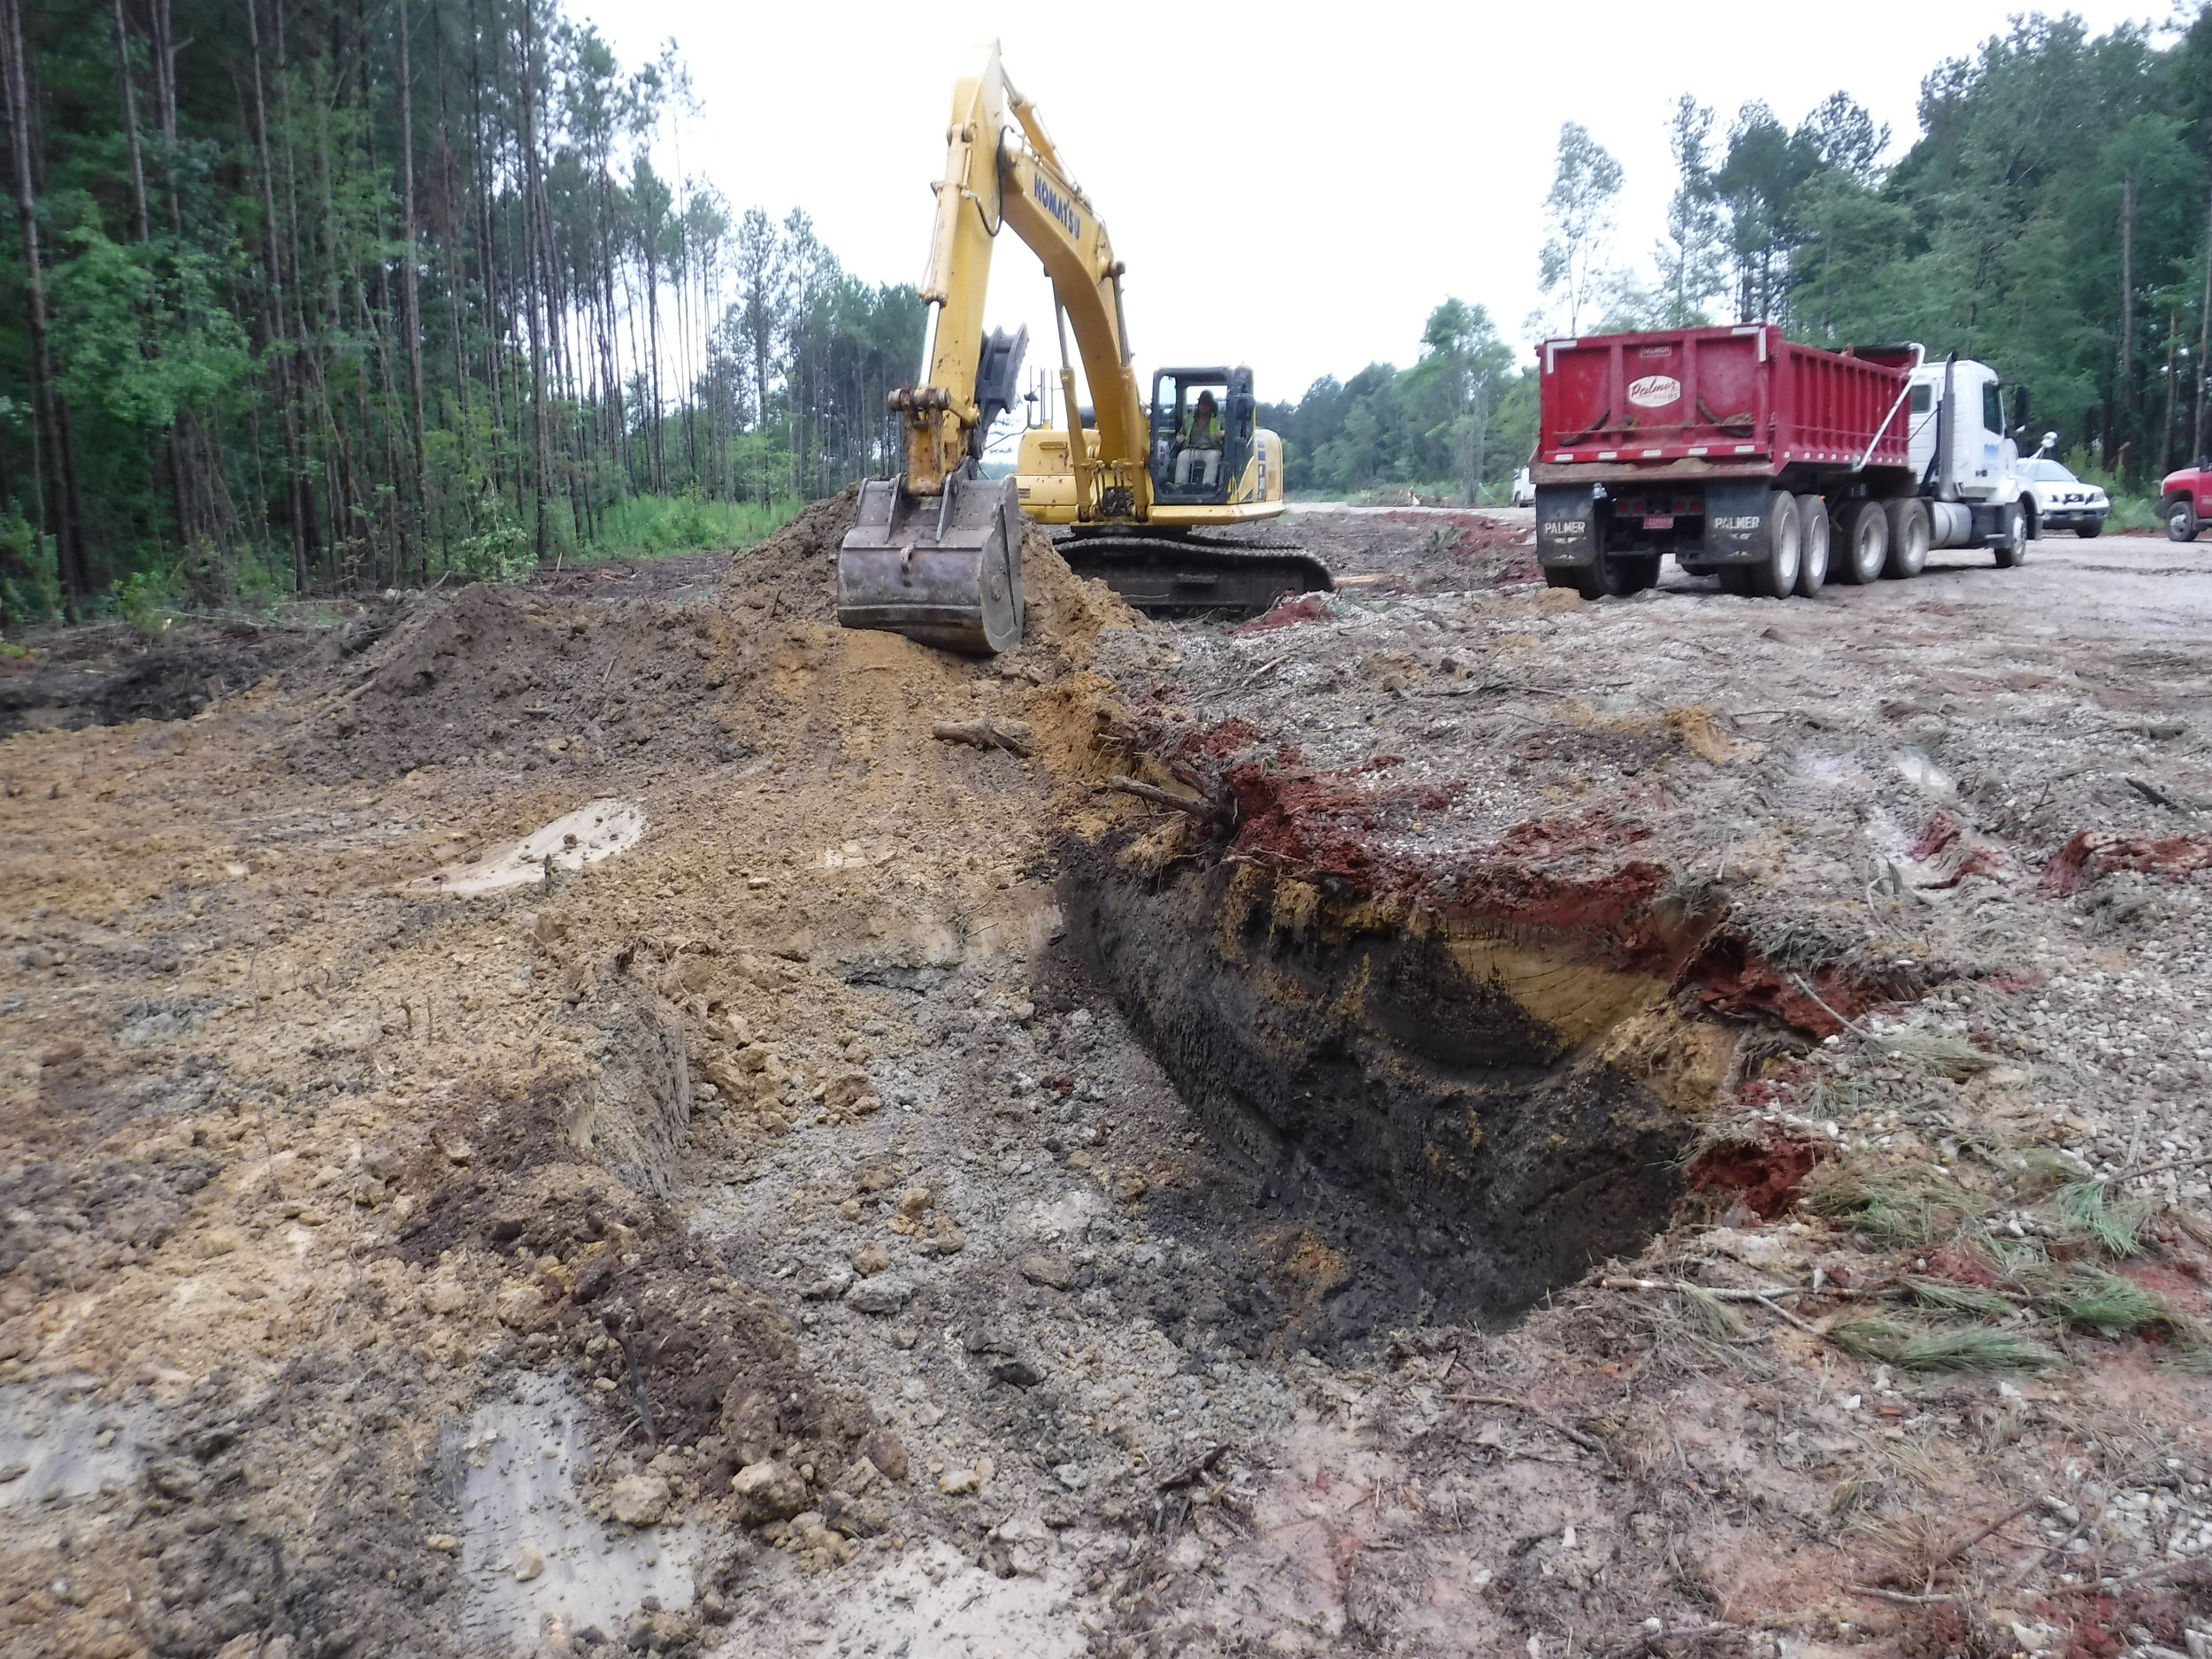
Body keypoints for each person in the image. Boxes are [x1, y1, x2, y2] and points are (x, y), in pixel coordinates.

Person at [1174, 389, 1224, 488]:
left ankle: (1208, 485)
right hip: (1192, 449)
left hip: (1212, 449)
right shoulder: (1188, 418)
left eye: (1207, 403)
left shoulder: (1219, 418)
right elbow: (1181, 433)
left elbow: (1229, 431)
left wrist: (1223, 433)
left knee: (1213, 457)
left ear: (1212, 405)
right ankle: (1179, 485)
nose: (1203, 405)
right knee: (1182, 456)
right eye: (1201, 402)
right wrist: (1179, 437)